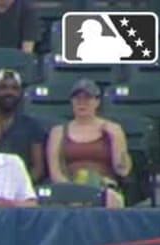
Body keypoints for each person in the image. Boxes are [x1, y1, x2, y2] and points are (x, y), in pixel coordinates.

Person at [46, 78, 131, 208]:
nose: (82, 103)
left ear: (97, 102)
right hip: (70, 189)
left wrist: (115, 138)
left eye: (87, 99)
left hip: (104, 188)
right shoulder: (58, 132)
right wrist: (75, 191)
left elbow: (122, 170)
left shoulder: (113, 129)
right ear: (71, 102)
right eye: (77, 99)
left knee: (111, 200)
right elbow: (55, 172)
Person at [0, 69, 48, 183]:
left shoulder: (32, 125)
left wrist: (20, 188)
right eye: (3, 88)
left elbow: (38, 169)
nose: (9, 92)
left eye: (14, 88)